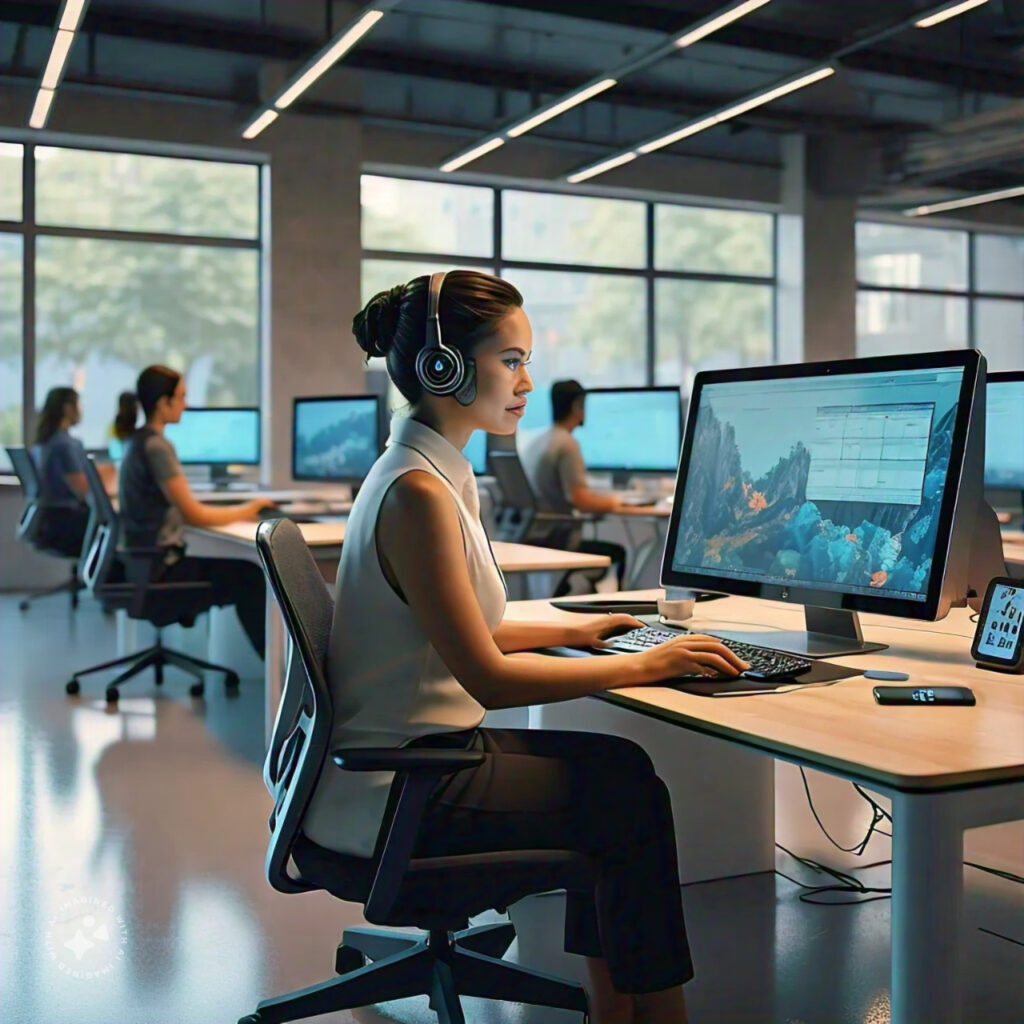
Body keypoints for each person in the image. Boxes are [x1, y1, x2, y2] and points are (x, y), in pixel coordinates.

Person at [301, 271, 749, 1024]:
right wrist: (646, 663)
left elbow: (473, 626)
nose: (527, 382)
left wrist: (583, 628)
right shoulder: (416, 493)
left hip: (412, 762)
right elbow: (488, 674)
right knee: (625, 796)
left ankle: (623, 1012)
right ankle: (655, 1016)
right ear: (441, 367)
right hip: (402, 793)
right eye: (511, 360)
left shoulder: (429, 474)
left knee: (621, 771)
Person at [116, 366, 273, 656]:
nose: (186, 405)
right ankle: (282, 679)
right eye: (181, 397)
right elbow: (195, 516)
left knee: (238, 570)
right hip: (161, 570)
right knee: (250, 577)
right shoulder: (157, 446)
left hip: (142, 565)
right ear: (164, 403)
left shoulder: (135, 441)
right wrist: (250, 508)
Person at [520, 379, 628, 593]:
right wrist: (615, 502)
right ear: (577, 405)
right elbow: (581, 501)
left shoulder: (540, 441)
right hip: (560, 537)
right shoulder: (567, 445)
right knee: (619, 553)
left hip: (538, 532)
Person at [31, 387, 115, 555]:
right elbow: (82, 488)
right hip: (66, 523)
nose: (81, 410)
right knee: (118, 528)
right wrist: (112, 474)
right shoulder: (65, 444)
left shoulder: (45, 442)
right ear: (68, 408)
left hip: (50, 522)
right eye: (79, 405)